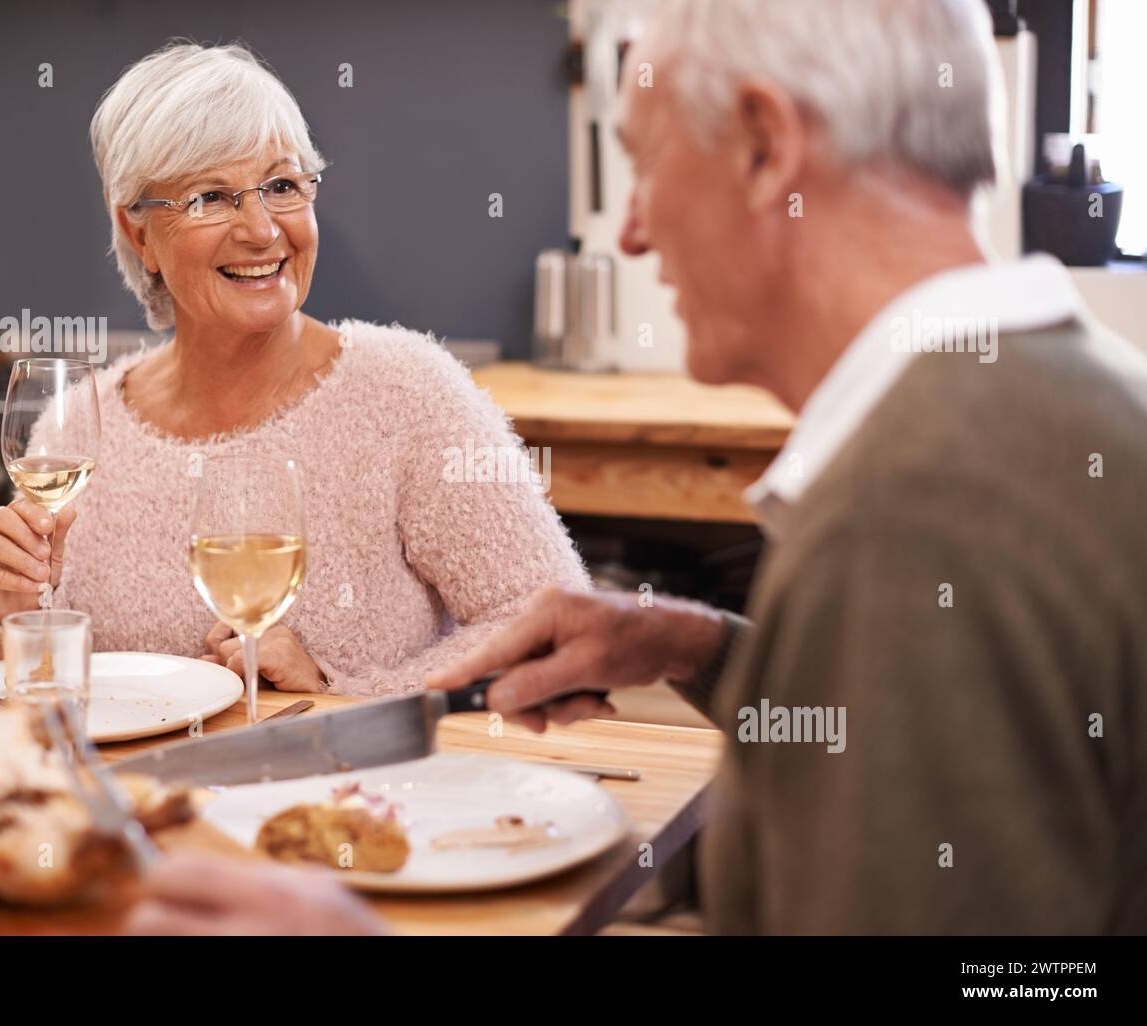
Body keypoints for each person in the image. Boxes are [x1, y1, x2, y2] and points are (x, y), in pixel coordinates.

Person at [129, 0, 1147, 934]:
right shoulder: (1073, 400)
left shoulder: (908, 515)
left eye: (647, 165)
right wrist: (695, 646)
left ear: (761, 148)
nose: (634, 228)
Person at [0, 42, 588, 696]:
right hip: (139, 799)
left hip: (346, 795)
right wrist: (15, 615)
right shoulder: (77, 428)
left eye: (282, 186)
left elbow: (552, 626)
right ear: (140, 232)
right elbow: (45, 706)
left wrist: (342, 689)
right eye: (211, 198)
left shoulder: (407, 391)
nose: (262, 231)